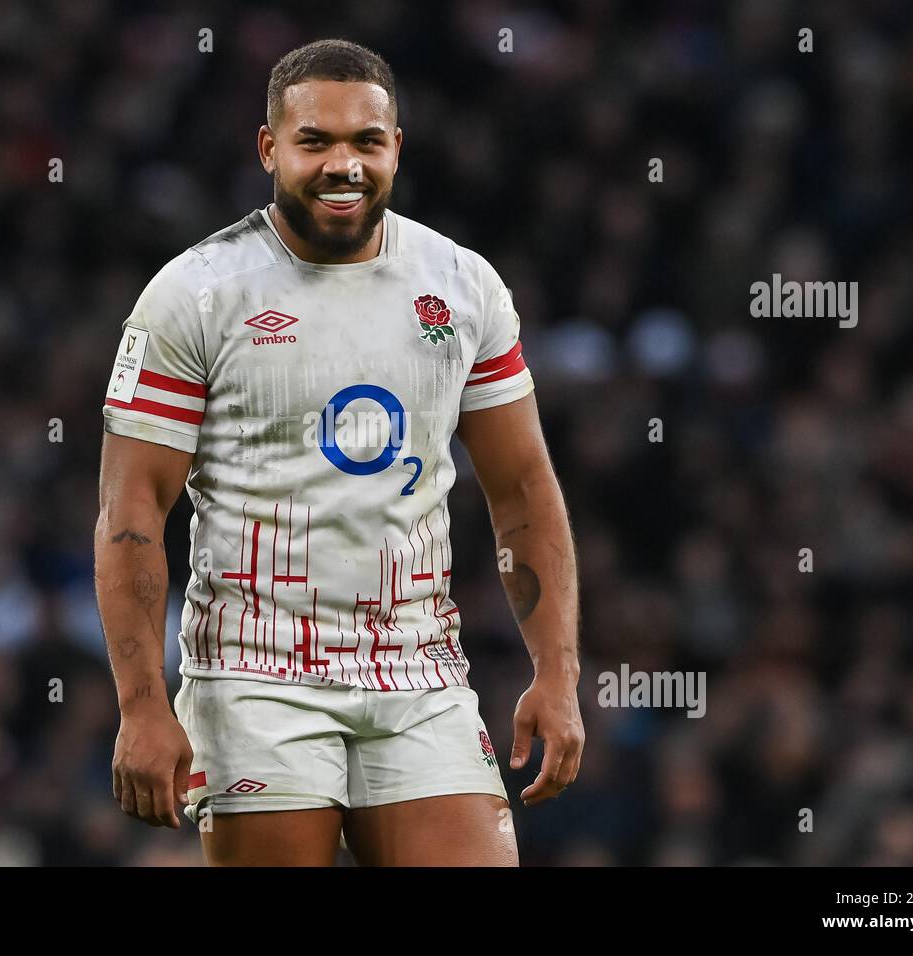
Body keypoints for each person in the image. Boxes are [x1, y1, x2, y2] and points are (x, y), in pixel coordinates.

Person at [94, 38, 584, 866]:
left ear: (397, 147)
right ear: (269, 148)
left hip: (420, 673)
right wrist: (143, 705)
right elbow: (132, 509)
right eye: (314, 141)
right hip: (255, 679)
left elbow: (524, 489)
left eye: (367, 142)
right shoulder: (196, 293)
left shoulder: (462, 287)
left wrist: (559, 674)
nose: (342, 165)